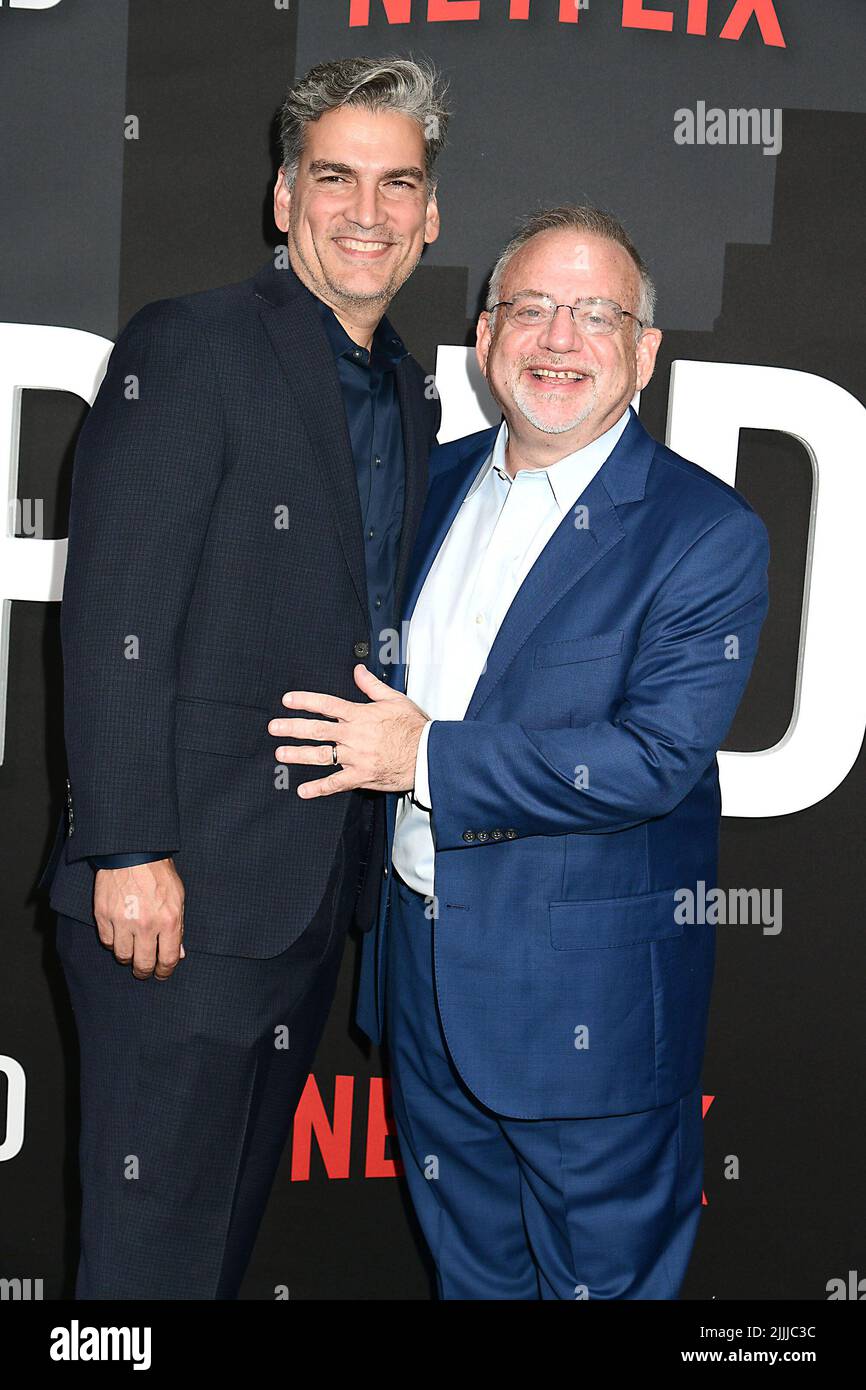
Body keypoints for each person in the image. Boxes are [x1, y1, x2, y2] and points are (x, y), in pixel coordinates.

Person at [269, 205, 770, 1300]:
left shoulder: (704, 532)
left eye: (597, 315)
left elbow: (652, 757)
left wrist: (428, 759)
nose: (558, 340)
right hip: (420, 977)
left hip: (586, 1011)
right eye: (531, 309)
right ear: (485, 336)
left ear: (644, 351)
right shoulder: (426, 482)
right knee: (472, 1278)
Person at [42, 56, 448, 1300]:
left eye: (398, 184)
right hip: (179, 892)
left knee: (209, 1253)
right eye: (334, 179)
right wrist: (126, 848)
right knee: (148, 1264)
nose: (366, 212)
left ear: (431, 215)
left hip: (313, 895)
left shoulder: (407, 389)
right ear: (284, 199)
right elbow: (116, 613)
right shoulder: (193, 343)